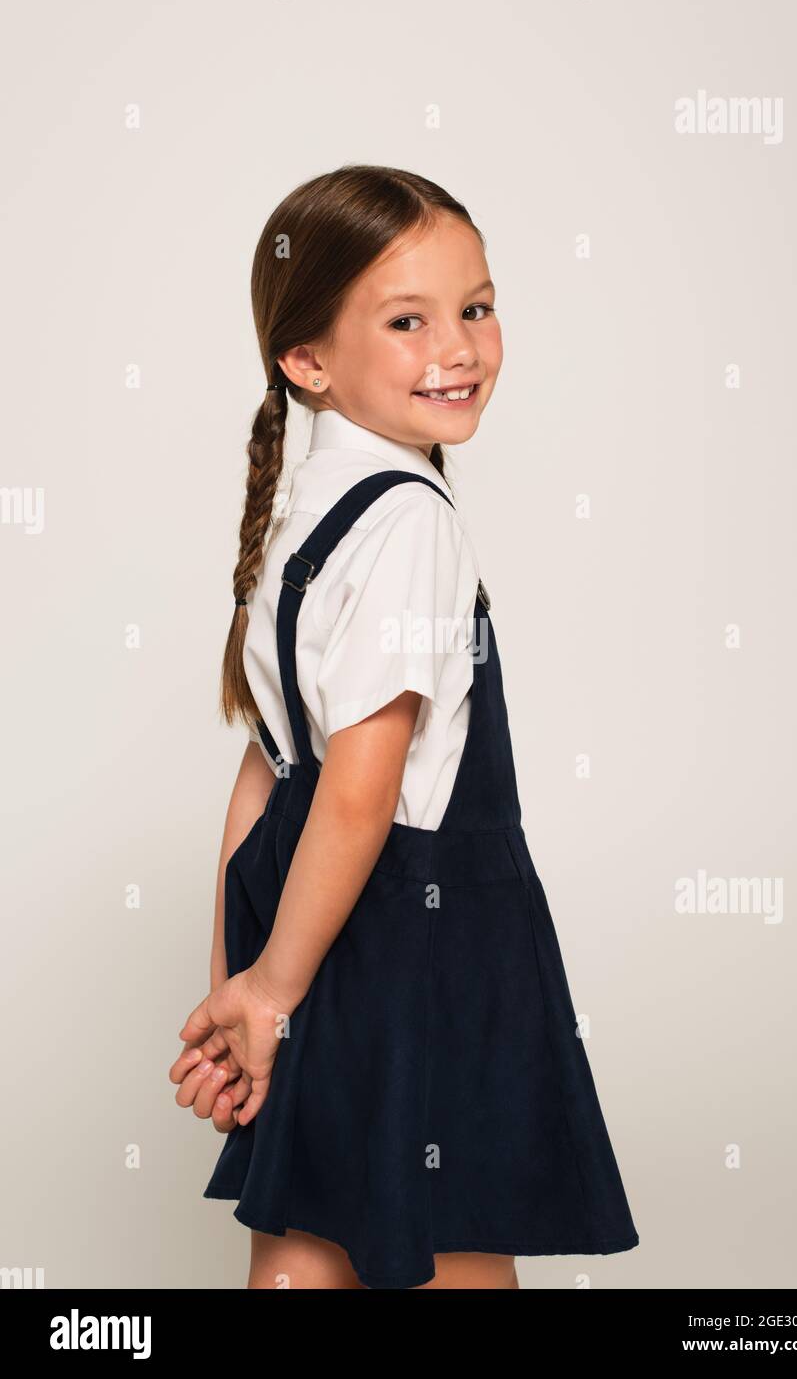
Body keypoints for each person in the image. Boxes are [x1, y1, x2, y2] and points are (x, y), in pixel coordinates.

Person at [168, 164, 639, 1290]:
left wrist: (246, 982)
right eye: (408, 320)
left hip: (309, 923)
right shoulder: (412, 523)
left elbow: (265, 771)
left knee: (304, 1244)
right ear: (309, 360)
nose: (461, 347)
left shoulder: (304, 516)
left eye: (476, 307)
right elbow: (357, 787)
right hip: (419, 935)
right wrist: (268, 993)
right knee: (449, 1243)